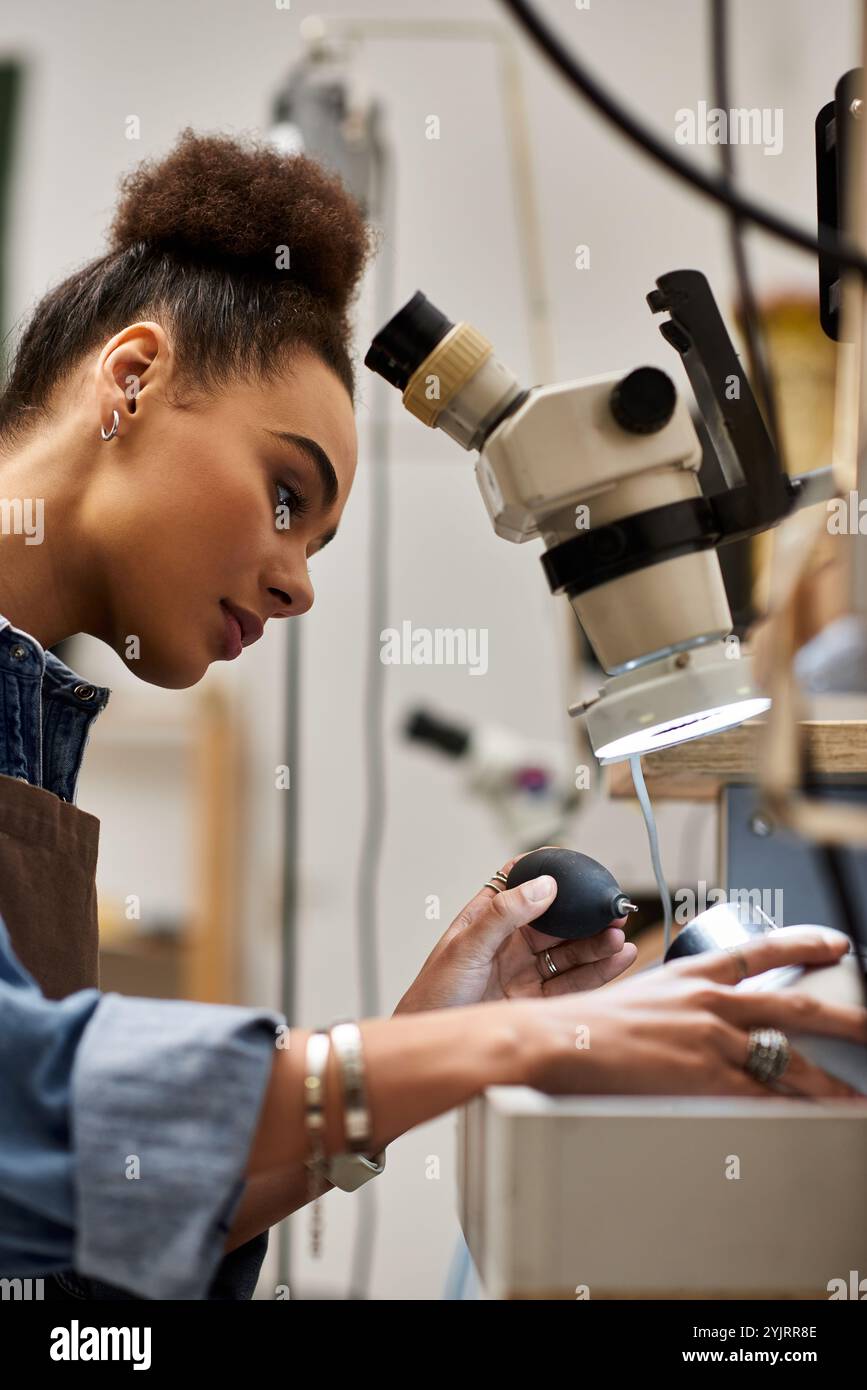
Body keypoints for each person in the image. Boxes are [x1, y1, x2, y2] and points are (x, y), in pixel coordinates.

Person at [0, 129, 864, 1302]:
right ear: (134, 377)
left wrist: (429, 1036)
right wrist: (518, 1042)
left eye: (316, 540)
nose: (299, 582)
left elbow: (71, 1213)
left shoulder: (32, 719)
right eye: (287, 493)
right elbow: (25, 1100)